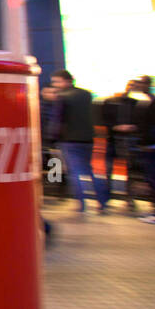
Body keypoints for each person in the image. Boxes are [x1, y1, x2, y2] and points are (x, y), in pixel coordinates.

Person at [48, 69, 108, 213]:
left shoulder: (61, 97)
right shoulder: (86, 94)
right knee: (89, 169)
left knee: (75, 172)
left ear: (66, 81)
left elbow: (57, 119)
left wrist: (53, 137)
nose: (55, 85)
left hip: (69, 139)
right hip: (88, 138)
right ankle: (102, 201)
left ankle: (81, 203)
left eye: (57, 81)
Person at [131, 75, 155, 224]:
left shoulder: (153, 103)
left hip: (154, 147)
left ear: (148, 85)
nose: (138, 85)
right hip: (152, 145)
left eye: (141, 83)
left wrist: (148, 144)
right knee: (153, 180)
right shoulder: (149, 101)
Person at [101, 80, 140, 213]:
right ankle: (106, 198)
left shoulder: (135, 103)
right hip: (113, 139)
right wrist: (115, 127)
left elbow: (139, 121)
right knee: (109, 170)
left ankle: (129, 199)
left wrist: (132, 127)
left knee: (129, 171)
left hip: (128, 139)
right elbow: (104, 119)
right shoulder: (109, 102)